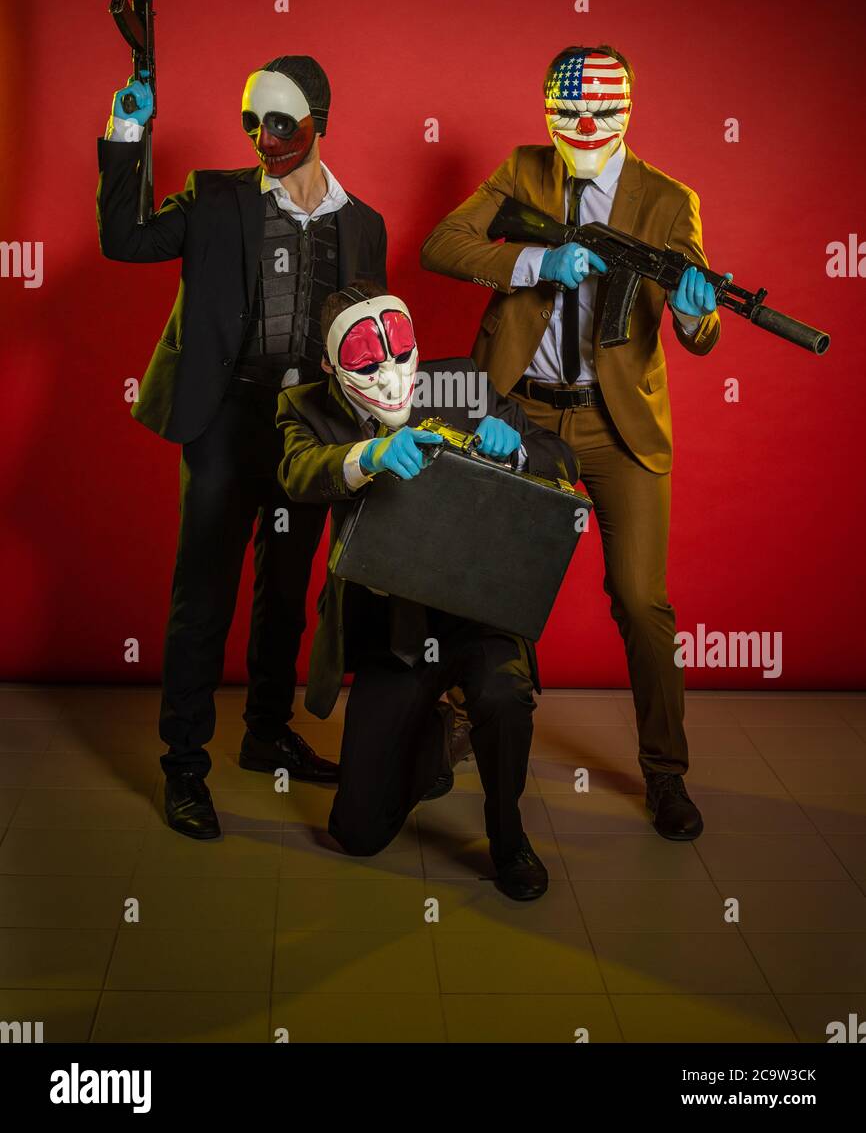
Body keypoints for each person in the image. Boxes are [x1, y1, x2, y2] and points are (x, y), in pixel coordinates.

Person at [421, 44, 733, 842]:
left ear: (629, 108)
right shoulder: (522, 171)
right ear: (547, 110)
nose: (586, 126)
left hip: (618, 425)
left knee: (640, 599)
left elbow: (701, 333)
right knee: (487, 582)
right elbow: (441, 245)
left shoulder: (669, 200)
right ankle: (460, 723)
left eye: (601, 110)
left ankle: (665, 772)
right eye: (569, 111)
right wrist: (536, 260)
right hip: (518, 410)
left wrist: (695, 310)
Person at [96, 55, 387, 839]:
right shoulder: (215, 197)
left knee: (285, 592)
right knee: (204, 595)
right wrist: (128, 129)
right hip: (225, 420)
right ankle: (184, 766)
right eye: (253, 123)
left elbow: (367, 340)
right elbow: (122, 239)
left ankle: (266, 732)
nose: (265, 138)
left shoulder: (364, 225)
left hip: (308, 428)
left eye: (281, 122)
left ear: (320, 121)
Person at [275, 282, 578, 899]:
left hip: (477, 610)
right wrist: (370, 455)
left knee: (503, 695)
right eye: (367, 365)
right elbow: (297, 472)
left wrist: (519, 448)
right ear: (330, 366)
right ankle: (440, 738)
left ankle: (508, 835)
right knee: (357, 831)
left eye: (401, 355)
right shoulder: (305, 406)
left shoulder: (462, 383)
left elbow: (562, 459)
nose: (391, 380)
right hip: (394, 628)